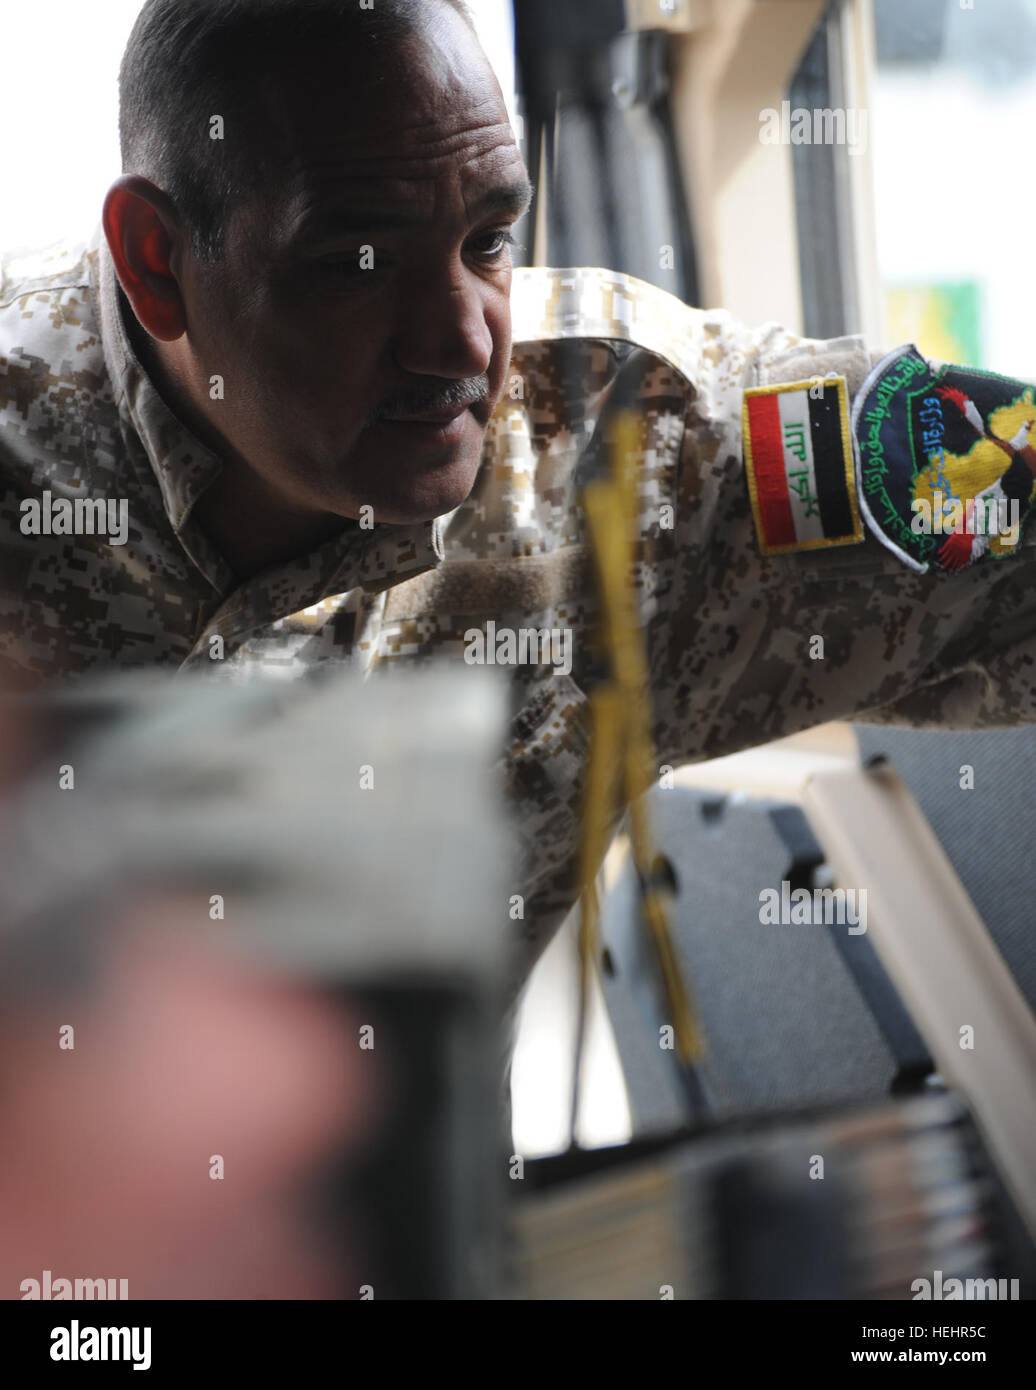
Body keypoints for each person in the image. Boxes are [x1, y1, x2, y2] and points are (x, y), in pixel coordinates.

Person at [2, 0, 1035, 989]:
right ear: (158, 260)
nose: (459, 339)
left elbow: (988, 479)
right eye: (356, 263)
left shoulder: (637, 444)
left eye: (488, 240)